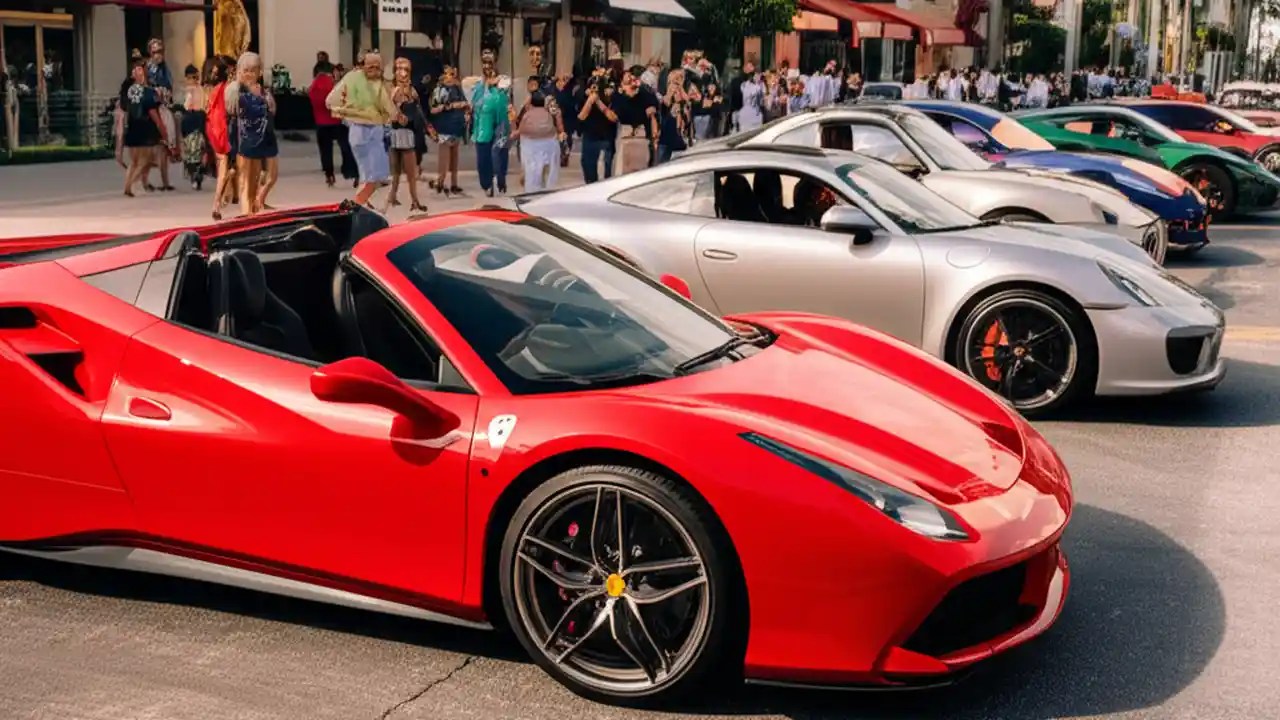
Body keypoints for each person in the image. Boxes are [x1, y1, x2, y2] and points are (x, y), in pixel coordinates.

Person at [327, 50, 399, 207]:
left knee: (370, 176)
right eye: (371, 67)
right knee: (373, 177)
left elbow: (331, 102)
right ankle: (356, 205)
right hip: (366, 130)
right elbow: (388, 107)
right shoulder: (367, 82)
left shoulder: (353, 78)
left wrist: (345, 113)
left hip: (363, 131)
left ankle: (363, 204)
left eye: (377, 67)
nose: (374, 71)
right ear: (364, 66)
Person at [226, 52, 278, 216]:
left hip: (263, 137)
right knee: (245, 180)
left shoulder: (264, 92)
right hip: (245, 138)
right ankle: (246, 211)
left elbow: (273, 111)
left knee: (256, 179)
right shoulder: (236, 91)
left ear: (259, 72)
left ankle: (253, 210)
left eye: (252, 70)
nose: (248, 74)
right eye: (245, 70)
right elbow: (230, 110)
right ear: (239, 71)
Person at [385, 57, 428, 213]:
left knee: (400, 171)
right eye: (399, 69)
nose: (403, 73)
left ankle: (393, 197)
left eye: (406, 70)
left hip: (406, 132)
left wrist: (427, 126)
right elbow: (389, 111)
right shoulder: (396, 91)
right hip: (400, 132)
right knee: (409, 171)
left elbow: (418, 110)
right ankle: (414, 201)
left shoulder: (411, 90)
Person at [119, 62, 166, 197]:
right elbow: (153, 112)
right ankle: (130, 185)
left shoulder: (128, 91)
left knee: (134, 162)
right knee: (144, 161)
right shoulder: (148, 92)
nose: (140, 72)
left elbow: (124, 108)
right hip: (144, 129)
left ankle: (128, 186)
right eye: (137, 70)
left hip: (132, 127)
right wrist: (162, 130)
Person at [309, 60, 357, 188]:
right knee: (346, 147)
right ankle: (352, 172)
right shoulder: (333, 84)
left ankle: (329, 174)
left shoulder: (313, 86)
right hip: (337, 121)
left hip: (321, 123)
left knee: (325, 150)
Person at [514, 79, 564, 192]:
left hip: (537, 144)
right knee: (541, 171)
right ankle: (540, 187)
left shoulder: (532, 111)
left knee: (536, 171)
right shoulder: (544, 109)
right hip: (544, 144)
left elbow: (520, 129)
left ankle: (535, 188)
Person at [472, 67, 514, 196]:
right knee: (483, 158)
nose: (490, 78)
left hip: (500, 125)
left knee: (500, 155)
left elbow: (507, 107)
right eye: (487, 75)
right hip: (483, 128)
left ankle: (501, 181)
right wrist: (484, 85)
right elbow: (475, 104)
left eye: (492, 75)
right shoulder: (478, 89)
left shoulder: (502, 90)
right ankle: (487, 184)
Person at [429, 64, 468, 196]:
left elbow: (465, 103)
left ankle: (454, 184)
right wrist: (448, 106)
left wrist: (464, 106)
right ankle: (440, 181)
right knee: (444, 158)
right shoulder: (439, 90)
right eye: (448, 74)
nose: (451, 77)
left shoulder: (457, 88)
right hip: (445, 127)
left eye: (452, 74)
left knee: (455, 158)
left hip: (457, 126)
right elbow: (433, 109)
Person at [204, 56, 235, 220]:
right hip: (223, 129)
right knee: (225, 168)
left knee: (223, 166)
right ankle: (218, 201)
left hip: (213, 128)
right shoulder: (227, 88)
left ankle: (221, 199)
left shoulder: (213, 89)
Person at [145, 39, 177, 192]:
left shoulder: (165, 69)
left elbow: (170, 87)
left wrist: (167, 94)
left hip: (163, 106)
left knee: (164, 144)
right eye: (155, 52)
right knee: (149, 148)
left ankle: (165, 182)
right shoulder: (147, 69)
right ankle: (143, 181)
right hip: (151, 109)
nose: (158, 55)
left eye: (160, 51)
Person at [577, 68, 618, 183]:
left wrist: (599, 102)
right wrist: (590, 101)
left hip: (605, 139)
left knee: (605, 173)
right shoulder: (585, 98)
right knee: (588, 169)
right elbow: (581, 117)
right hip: (589, 138)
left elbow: (613, 117)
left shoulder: (610, 98)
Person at [179, 64, 208, 190]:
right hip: (200, 119)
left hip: (192, 119)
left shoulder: (190, 90)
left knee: (193, 150)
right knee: (200, 148)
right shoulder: (201, 89)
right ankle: (198, 173)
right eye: (194, 77)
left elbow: (186, 106)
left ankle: (195, 175)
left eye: (196, 77)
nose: (195, 79)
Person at [656, 69, 690, 164]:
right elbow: (665, 102)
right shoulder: (662, 97)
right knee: (661, 166)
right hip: (665, 139)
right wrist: (671, 90)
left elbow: (689, 107)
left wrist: (680, 87)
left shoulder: (683, 100)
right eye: (671, 81)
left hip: (680, 141)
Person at [737, 63, 764, 131]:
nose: (758, 77)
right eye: (757, 75)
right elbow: (760, 101)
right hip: (749, 113)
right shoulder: (756, 87)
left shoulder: (744, 85)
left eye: (759, 75)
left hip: (753, 113)